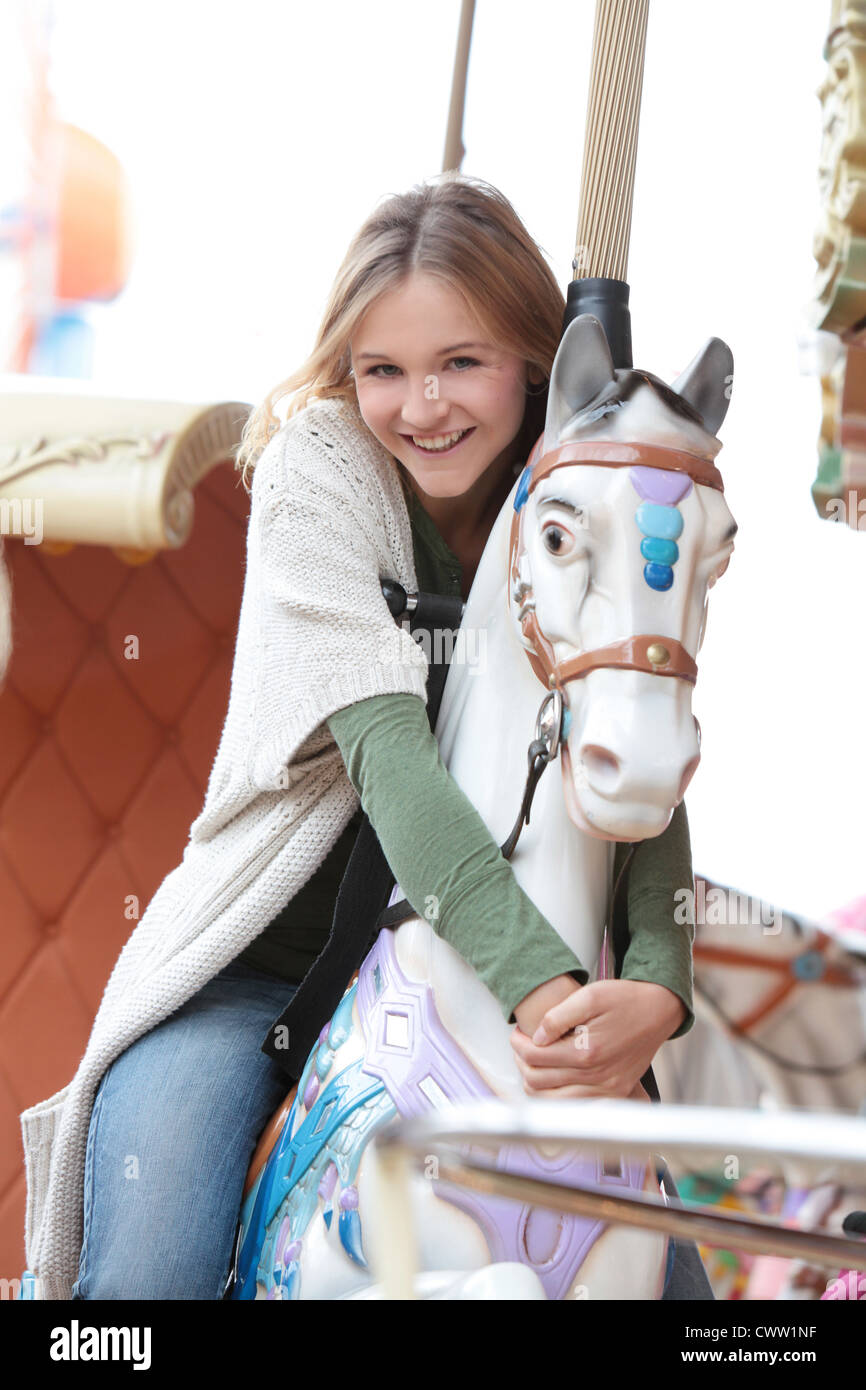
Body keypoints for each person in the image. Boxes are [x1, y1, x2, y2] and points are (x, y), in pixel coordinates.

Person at [20, 171, 711, 1301]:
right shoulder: (318, 475)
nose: (420, 406)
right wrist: (550, 993)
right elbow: (393, 766)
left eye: (459, 363)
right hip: (268, 973)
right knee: (153, 1272)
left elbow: (637, 729)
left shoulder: (573, 486)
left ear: (533, 355)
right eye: (380, 370)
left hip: (478, 978)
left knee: (679, 1296)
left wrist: (657, 985)